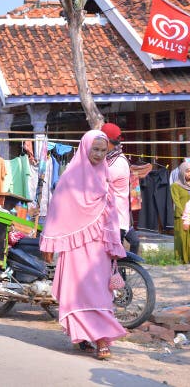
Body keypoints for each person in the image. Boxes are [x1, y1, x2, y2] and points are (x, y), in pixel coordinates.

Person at [40, 130, 127, 360]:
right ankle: (88, 337)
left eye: (103, 150)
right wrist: (49, 243)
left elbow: (111, 214)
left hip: (98, 248)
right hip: (74, 247)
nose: (98, 154)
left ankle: (102, 339)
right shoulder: (70, 177)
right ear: (85, 148)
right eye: (95, 149)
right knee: (76, 294)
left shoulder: (104, 176)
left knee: (99, 295)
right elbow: (57, 211)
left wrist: (114, 243)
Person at [100, 123, 139, 255]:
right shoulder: (110, 159)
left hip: (115, 219)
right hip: (111, 218)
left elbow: (99, 183)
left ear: (109, 142)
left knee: (112, 260)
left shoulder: (118, 163)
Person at [170, 162, 190, 264]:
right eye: (187, 171)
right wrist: (185, 215)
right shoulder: (175, 186)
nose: (189, 174)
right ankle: (182, 259)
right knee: (182, 238)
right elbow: (176, 202)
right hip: (181, 216)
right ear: (182, 172)